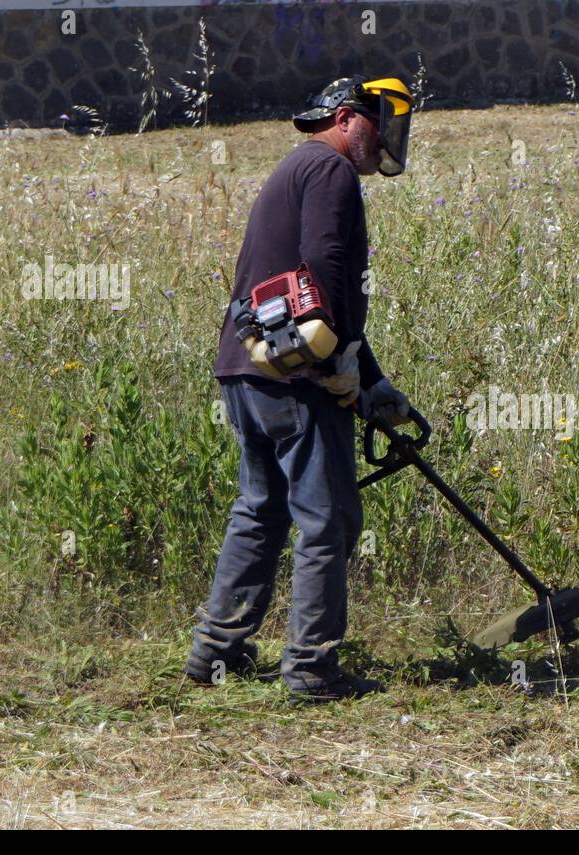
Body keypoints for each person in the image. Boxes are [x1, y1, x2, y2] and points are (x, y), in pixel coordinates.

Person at [183, 75, 416, 703]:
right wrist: (336, 362)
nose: (384, 140)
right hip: (295, 378)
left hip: (247, 367)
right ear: (346, 118)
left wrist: (371, 379)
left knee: (260, 510)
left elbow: (298, 287)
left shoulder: (297, 167)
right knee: (328, 518)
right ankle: (312, 672)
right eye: (378, 123)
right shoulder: (330, 171)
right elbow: (324, 268)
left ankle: (215, 654)